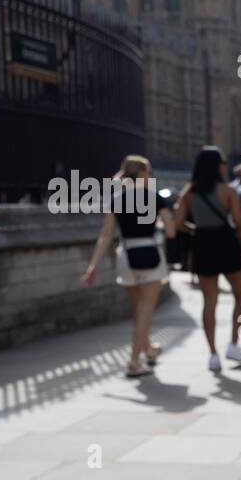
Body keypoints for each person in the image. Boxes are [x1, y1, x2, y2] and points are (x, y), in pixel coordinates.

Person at [81, 154, 170, 377]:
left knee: (137, 311)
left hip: (126, 255)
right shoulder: (154, 197)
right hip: (149, 253)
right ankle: (133, 361)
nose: (150, 177)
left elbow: (106, 235)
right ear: (141, 174)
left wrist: (92, 266)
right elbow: (171, 230)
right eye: (148, 172)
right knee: (146, 311)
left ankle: (148, 349)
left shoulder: (116, 199)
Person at [175, 145, 241, 372]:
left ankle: (212, 354)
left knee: (209, 302)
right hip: (227, 243)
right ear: (218, 166)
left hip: (203, 245)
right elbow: (239, 226)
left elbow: (179, 224)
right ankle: (235, 343)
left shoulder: (189, 193)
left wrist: (196, 230)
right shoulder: (228, 192)